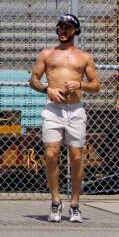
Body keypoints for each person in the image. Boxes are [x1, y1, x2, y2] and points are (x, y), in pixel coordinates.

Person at [29, 13, 101, 222]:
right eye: (60, 26)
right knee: (51, 154)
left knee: (76, 156)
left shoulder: (84, 57)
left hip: (75, 110)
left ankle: (75, 204)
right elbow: (33, 80)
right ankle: (55, 201)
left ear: (75, 31)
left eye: (67, 27)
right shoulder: (47, 54)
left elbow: (96, 85)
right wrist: (47, 89)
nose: (63, 30)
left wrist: (80, 85)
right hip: (53, 110)